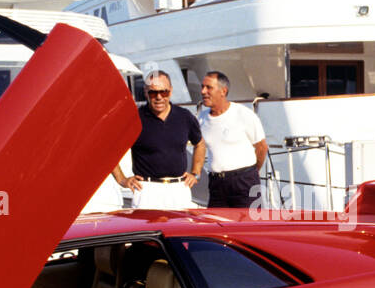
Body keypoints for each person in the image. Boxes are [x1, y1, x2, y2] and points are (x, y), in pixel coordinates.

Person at [111, 71, 205, 210]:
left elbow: (200, 144)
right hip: (147, 191)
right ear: (146, 92)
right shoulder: (134, 119)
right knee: (146, 232)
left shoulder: (184, 117)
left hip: (179, 188)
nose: (159, 97)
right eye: (153, 93)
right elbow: (111, 150)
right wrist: (122, 180)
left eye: (164, 92)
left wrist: (195, 173)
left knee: (180, 231)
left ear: (171, 91)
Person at [198, 71, 268, 208]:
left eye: (208, 87)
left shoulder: (243, 114)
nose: (203, 91)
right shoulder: (201, 118)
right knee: (217, 227)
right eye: (202, 87)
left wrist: (250, 173)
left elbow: (261, 148)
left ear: (223, 91)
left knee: (248, 227)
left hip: (244, 182)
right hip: (216, 184)